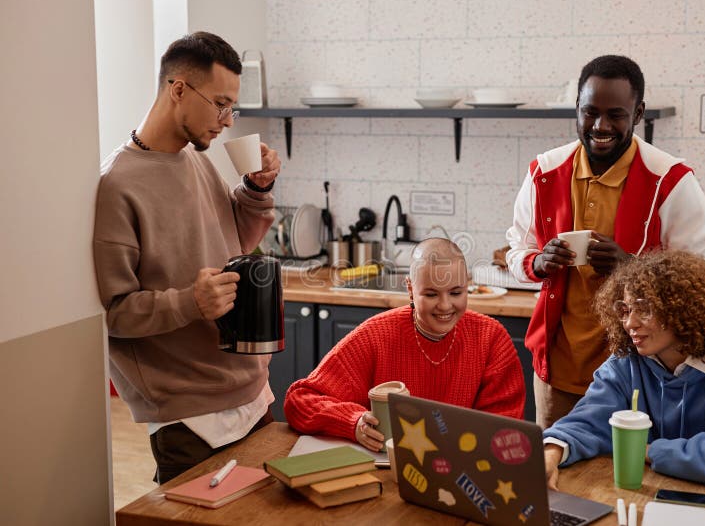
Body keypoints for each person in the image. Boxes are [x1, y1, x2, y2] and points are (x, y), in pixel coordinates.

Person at [93, 31, 281, 483]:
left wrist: (256, 189)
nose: (228, 120)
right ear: (178, 89)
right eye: (220, 104)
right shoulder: (116, 185)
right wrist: (190, 303)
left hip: (253, 393)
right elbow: (114, 314)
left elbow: (235, 240)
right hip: (189, 418)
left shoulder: (195, 158)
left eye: (231, 107)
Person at [506, 54, 705, 428]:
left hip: (643, 376)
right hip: (559, 372)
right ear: (577, 110)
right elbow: (516, 252)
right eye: (590, 112)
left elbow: (702, 283)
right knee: (555, 475)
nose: (600, 125)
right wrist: (539, 262)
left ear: (638, 114)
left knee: (629, 479)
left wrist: (632, 269)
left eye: (616, 114)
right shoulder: (544, 172)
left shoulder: (670, 182)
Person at [542, 250, 705, 489]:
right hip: (661, 488)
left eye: (644, 309)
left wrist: (642, 450)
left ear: (683, 310)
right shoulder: (627, 361)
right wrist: (550, 454)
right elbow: (587, 420)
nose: (629, 323)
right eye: (625, 310)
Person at [284, 238, 525, 451]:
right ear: (410, 289)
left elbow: (504, 429)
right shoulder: (374, 335)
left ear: (467, 287)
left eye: (455, 293)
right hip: (385, 473)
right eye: (431, 295)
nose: (444, 306)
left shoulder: (492, 338)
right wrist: (353, 422)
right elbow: (300, 400)